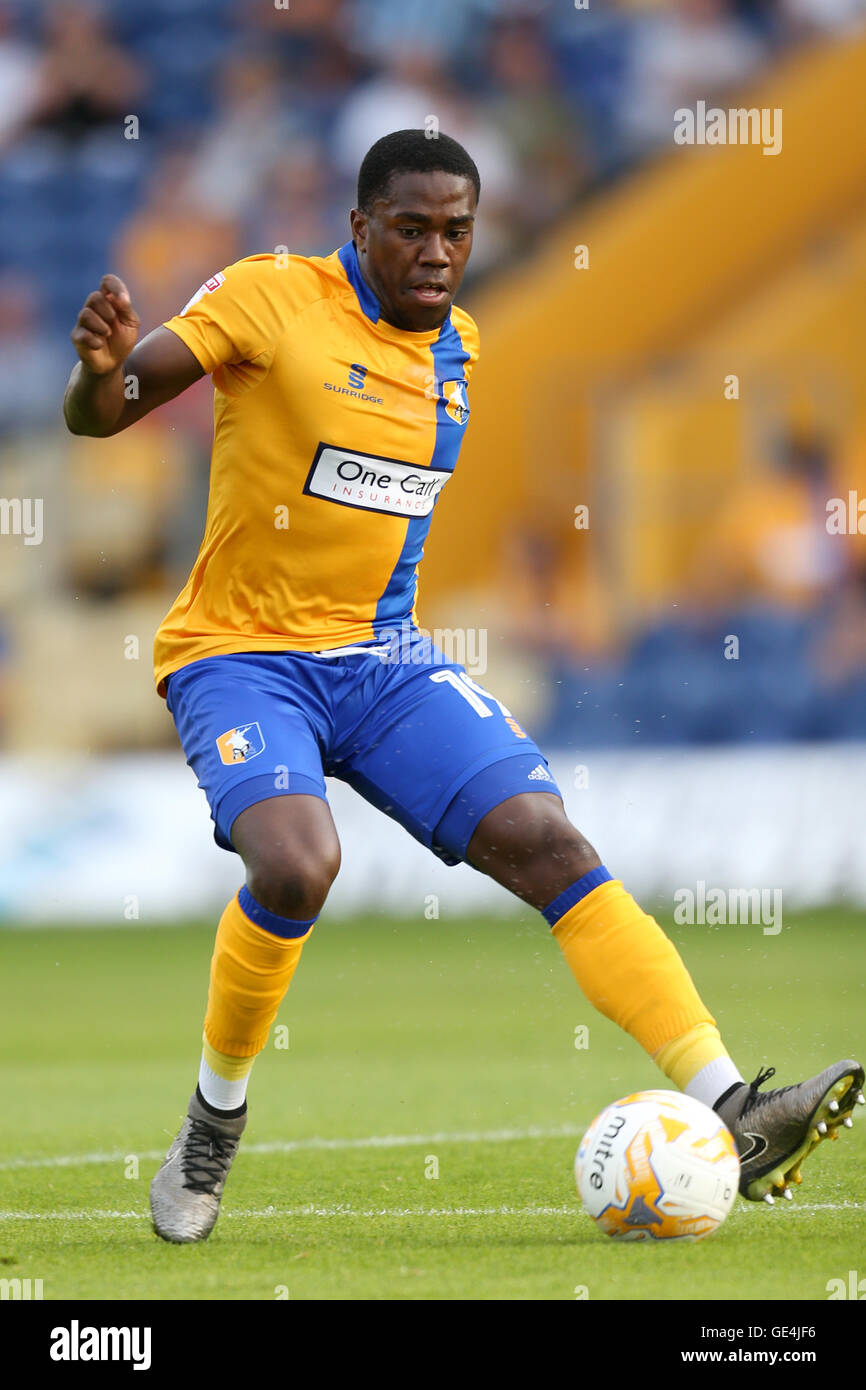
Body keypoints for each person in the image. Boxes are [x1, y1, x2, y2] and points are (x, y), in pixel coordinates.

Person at [62, 129, 863, 1245]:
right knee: (297, 865)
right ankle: (213, 1121)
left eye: (456, 230)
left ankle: (731, 1102)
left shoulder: (461, 353)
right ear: (359, 227)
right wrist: (99, 380)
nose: (436, 250)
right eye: (411, 227)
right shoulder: (268, 298)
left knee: (548, 839)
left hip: (383, 657)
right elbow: (109, 407)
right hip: (240, 654)